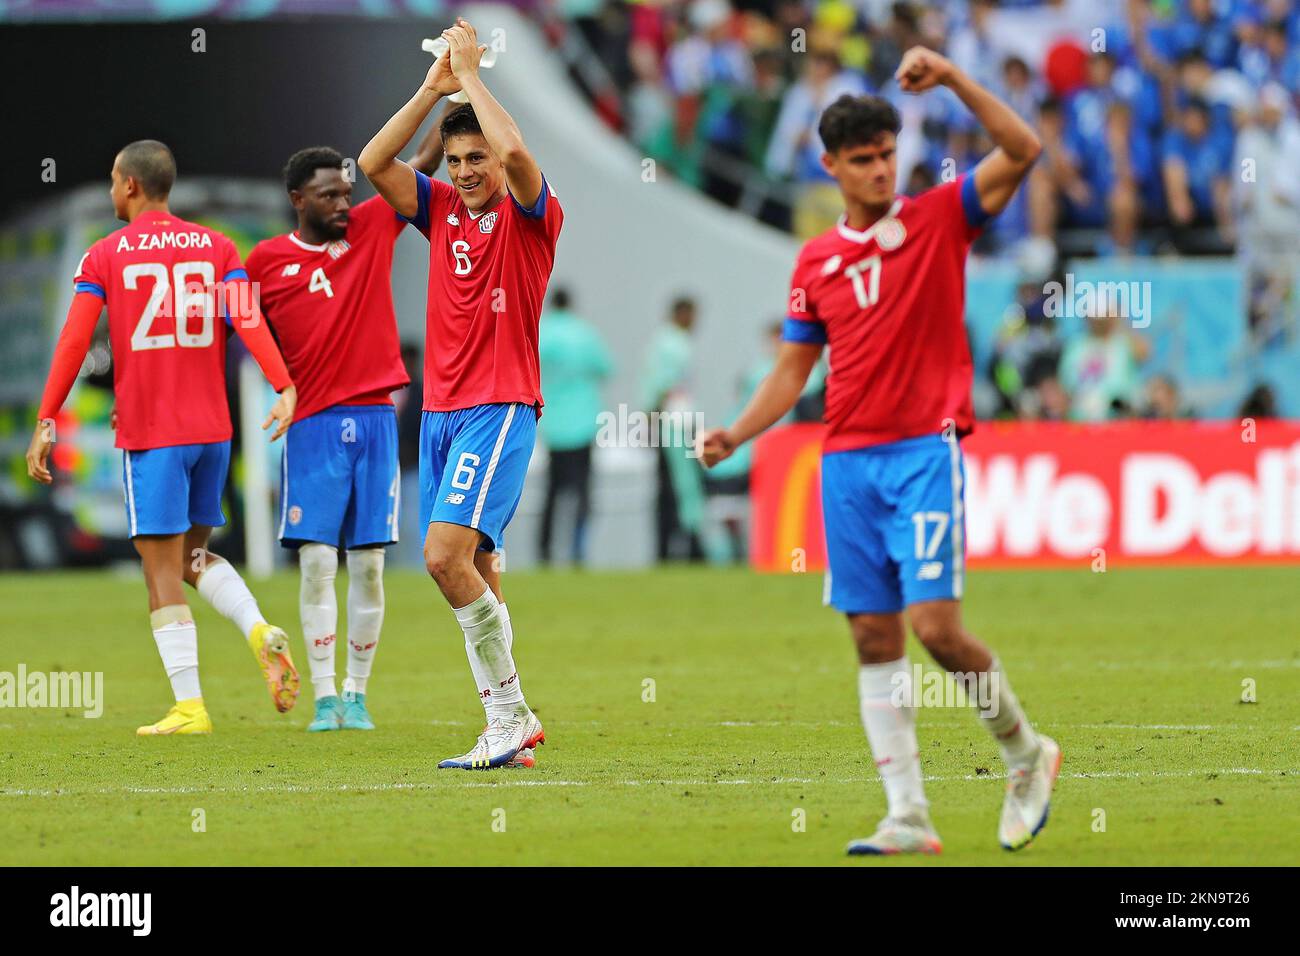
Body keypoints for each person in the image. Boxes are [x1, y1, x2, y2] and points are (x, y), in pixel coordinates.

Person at [699, 48, 1061, 856]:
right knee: (872, 637)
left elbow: (1025, 149)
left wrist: (959, 81)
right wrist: (737, 430)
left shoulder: (939, 218)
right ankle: (909, 815)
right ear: (830, 166)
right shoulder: (814, 261)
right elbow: (795, 369)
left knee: (936, 627)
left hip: (922, 453)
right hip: (848, 464)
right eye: (861, 161)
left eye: (888, 155)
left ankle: (1025, 754)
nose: (878, 171)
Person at [26, 140, 300, 735]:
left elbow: (74, 342)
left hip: (154, 435)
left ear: (128, 185)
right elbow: (247, 318)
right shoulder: (219, 246)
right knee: (192, 556)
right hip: (212, 435)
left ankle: (190, 708)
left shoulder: (105, 255)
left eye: (111, 181)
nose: (109, 191)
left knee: (161, 573)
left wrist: (47, 417)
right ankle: (258, 628)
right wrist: (283, 384)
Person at [359, 18, 562, 769]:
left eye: (476, 157)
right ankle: (506, 731)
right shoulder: (441, 212)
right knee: (480, 568)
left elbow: (516, 151)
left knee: (444, 557)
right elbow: (372, 161)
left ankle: (511, 715)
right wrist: (433, 87)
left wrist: (474, 73)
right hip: (439, 414)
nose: (470, 169)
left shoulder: (531, 217)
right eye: (456, 159)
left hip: (499, 406)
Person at [245, 132, 442, 734]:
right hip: (312, 428)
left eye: (346, 193)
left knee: (371, 567)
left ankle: (357, 694)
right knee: (316, 565)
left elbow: (422, 161)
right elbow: (234, 328)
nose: (342, 205)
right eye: (328, 195)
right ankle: (324, 696)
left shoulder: (371, 227)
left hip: (377, 419)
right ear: (297, 198)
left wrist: (441, 88)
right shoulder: (263, 262)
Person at [537, 288, 612, 566]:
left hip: (553, 424)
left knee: (552, 492)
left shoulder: (542, 331)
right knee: (582, 490)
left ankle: (544, 550)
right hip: (582, 422)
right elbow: (606, 368)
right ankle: (578, 549)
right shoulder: (585, 333)